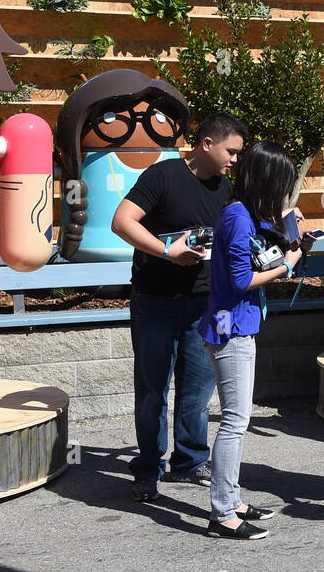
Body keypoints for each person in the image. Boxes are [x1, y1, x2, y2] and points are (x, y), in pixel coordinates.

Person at [112, 112, 247, 501]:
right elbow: (122, 222)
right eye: (231, 151)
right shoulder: (163, 176)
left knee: (198, 389)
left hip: (204, 303)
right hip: (155, 300)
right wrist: (167, 252)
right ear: (207, 144)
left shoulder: (226, 188)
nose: (234, 160)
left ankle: (189, 462)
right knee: (153, 389)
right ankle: (148, 467)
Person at [199, 141, 302, 539]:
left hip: (237, 326)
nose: (284, 193)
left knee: (235, 420)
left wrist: (290, 241)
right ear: (267, 181)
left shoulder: (243, 214)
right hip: (232, 331)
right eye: (282, 185)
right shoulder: (238, 217)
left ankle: (233, 498)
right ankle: (222, 513)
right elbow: (242, 280)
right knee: (235, 422)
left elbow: (253, 260)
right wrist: (288, 266)